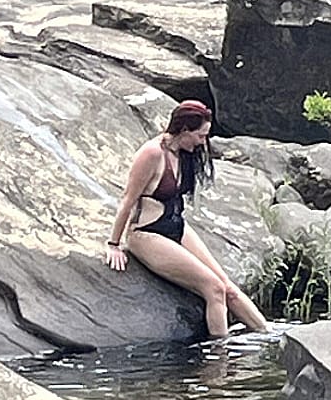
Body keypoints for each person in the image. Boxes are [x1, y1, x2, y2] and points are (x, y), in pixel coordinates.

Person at [104, 99, 268, 338]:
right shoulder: (151, 154)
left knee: (228, 288)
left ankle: (272, 336)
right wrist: (114, 244)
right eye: (201, 135)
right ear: (184, 131)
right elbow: (128, 200)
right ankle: (219, 359)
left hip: (176, 226)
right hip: (147, 233)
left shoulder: (183, 154)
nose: (204, 142)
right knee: (213, 289)